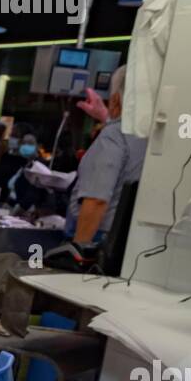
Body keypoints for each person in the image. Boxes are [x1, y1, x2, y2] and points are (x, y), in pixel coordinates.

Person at [66, 66, 146, 246]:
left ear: (116, 99)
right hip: (125, 239)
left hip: (97, 236)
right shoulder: (150, 136)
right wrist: (107, 117)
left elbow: (96, 200)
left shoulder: (113, 136)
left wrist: (78, 251)